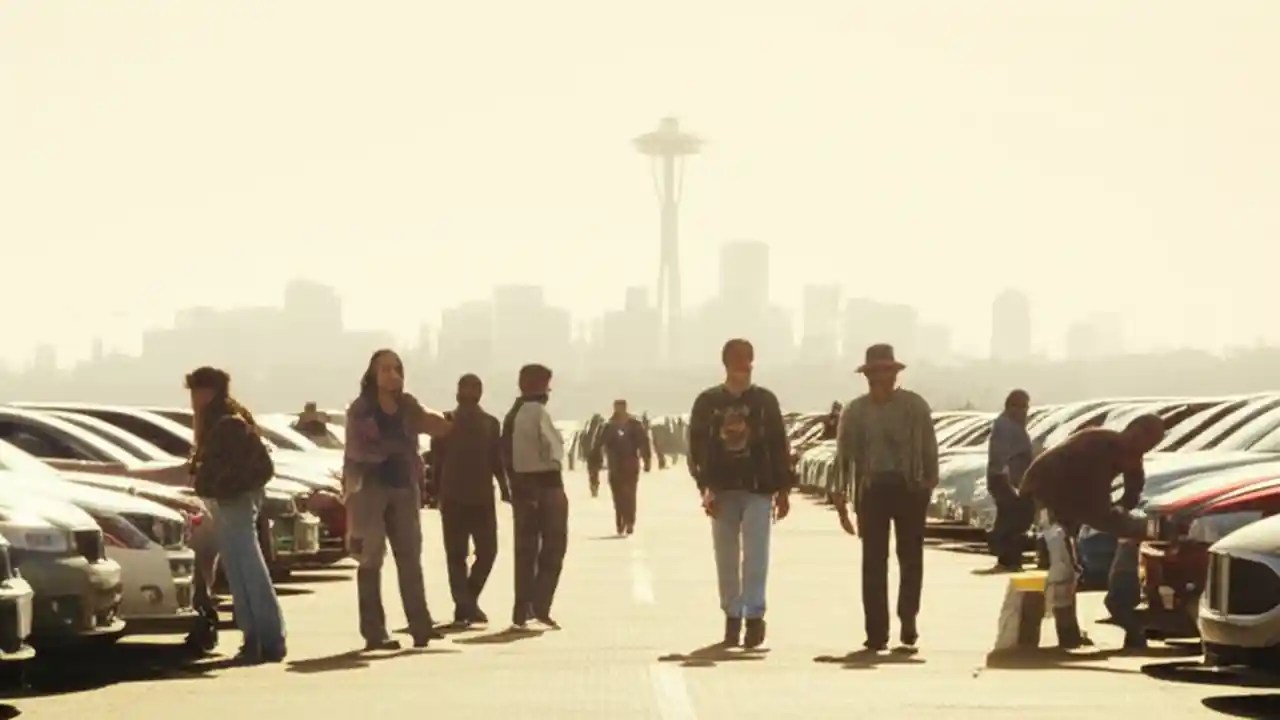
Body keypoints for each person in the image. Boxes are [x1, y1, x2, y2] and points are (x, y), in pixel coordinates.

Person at [1018, 414, 1164, 650]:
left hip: (1068, 501)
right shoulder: (1099, 447)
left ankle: (1069, 630)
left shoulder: (1131, 457)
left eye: (1151, 443)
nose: (1143, 446)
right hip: (1043, 494)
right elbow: (1096, 506)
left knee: (1068, 566)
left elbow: (1131, 492)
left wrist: (1128, 515)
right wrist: (1127, 525)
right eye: (1142, 437)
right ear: (1129, 429)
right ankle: (1064, 633)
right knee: (1063, 566)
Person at [833, 344, 938, 653]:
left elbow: (930, 449)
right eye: (874, 374)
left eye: (885, 373)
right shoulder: (856, 412)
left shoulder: (914, 406)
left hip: (909, 489)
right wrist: (840, 498)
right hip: (872, 491)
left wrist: (928, 485)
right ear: (866, 377)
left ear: (894, 375)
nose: (880, 380)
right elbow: (843, 456)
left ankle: (908, 619)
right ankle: (876, 631)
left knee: (911, 558)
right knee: (873, 562)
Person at [344, 349, 451, 650]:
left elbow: (434, 425)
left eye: (397, 369)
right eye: (385, 369)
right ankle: (375, 632)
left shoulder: (407, 405)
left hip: (404, 487)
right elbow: (362, 450)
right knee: (370, 559)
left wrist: (445, 421)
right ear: (373, 376)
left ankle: (421, 625)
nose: (392, 375)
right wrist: (399, 446)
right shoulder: (362, 409)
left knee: (410, 557)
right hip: (370, 489)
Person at [688, 338, 792, 650]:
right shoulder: (708, 402)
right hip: (722, 489)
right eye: (735, 358)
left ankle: (754, 616)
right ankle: (732, 616)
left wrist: (783, 489)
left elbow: (778, 444)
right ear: (725, 362)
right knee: (726, 557)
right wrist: (704, 486)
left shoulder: (764, 402)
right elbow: (696, 447)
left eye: (746, 358)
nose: (741, 364)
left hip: (758, 488)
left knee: (756, 555)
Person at [185, 366, 287, 664]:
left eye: (196, 391)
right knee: (240, 569)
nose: (193, 399)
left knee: (248, 570)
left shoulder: (224, 422)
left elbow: (221, 467)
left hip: (233, 501)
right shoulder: (229, 416)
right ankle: (255, 638)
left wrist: (207, 480)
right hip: (235, 500)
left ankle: (267, 638)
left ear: (208, 391)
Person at [431, 374, 509, 627]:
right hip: (473, 497)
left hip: (461, 497)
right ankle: (467, 603)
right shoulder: (451, 423)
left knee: (459, 555)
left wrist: (433, 493)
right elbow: (497, 461)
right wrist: (506, 489)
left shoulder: (481, 424)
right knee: (482, 552)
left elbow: (436, 464)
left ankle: (465, 603)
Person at [502, 363, 568, 630]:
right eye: (545, 384)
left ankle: (525, 609)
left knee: (527, 550)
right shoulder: (534, 412)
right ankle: (537, 605)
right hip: (543, 486)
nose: (548, 390)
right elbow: (553, 449)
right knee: (551, 547)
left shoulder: (514, 414)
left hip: (525, 487)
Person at [986, 390, 1035, 571]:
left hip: (1012, 479)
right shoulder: (1005, 426)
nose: (1024, 412)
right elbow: (1002, 456)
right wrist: (1010, 483)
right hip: (1006, 480)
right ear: (1011, 406)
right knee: (1015, 517)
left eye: (1026, 407)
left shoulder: (1014, 425)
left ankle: (1008, 556)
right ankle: (1008, 556)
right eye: (1021, 407)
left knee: (1013, 517)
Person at [592, 399, 652, 536]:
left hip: (630, 464)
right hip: (615, 466)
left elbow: (644, 443)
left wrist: (647, 459)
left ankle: (630, 521)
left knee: (630, 494)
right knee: (618, 495)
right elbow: (598, 445)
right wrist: (596, 463)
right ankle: (620, 521)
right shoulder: (608, 426)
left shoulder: (635, 425)